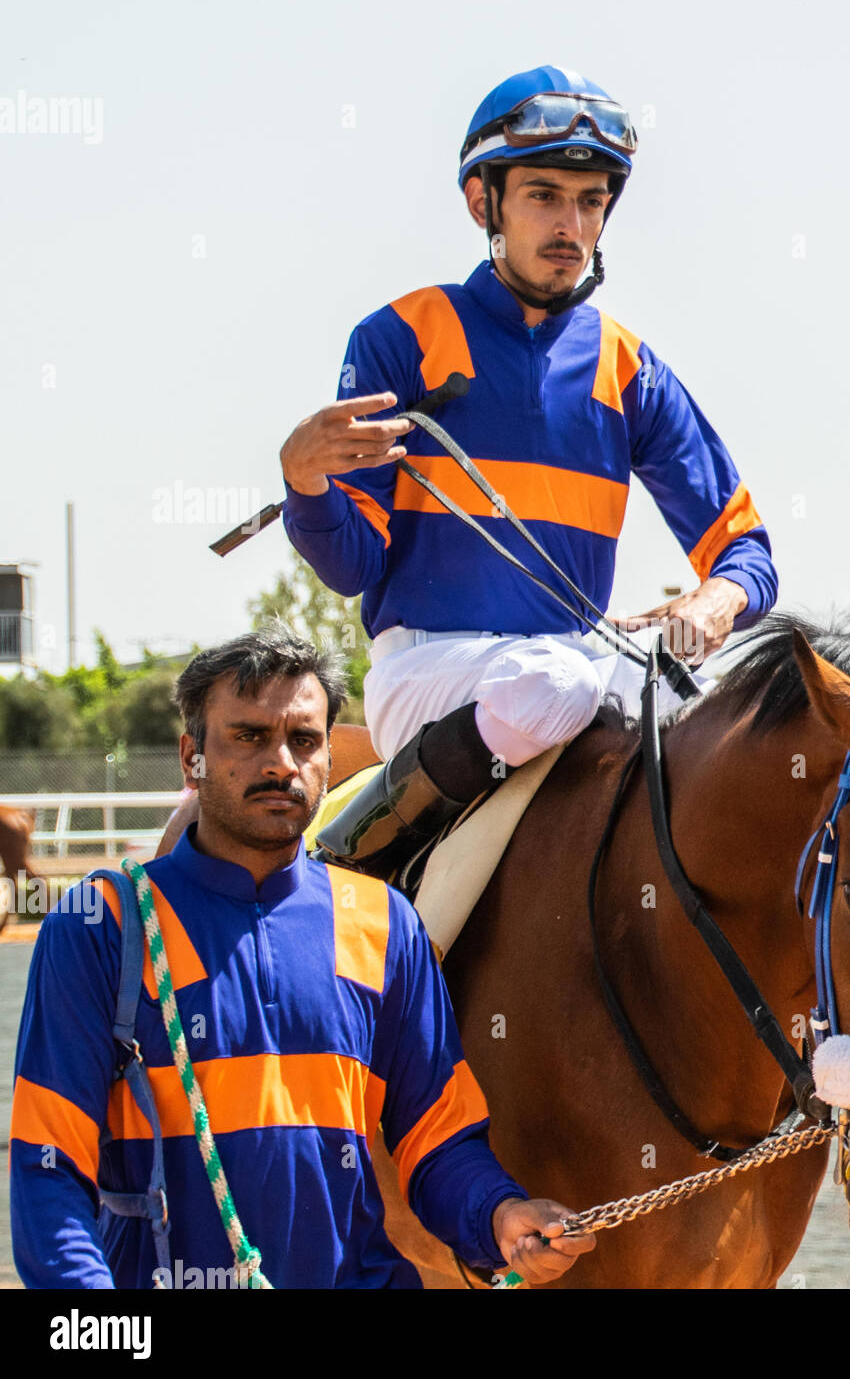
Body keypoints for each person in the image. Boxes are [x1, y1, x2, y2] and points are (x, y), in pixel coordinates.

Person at [277, 64, 777, 873]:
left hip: (582, 670)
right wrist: (305, 483)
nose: (571, 225)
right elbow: (350, 564)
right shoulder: (400, 336)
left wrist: (718, 599)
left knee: (737, 726)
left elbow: (748, 552)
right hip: (430, 672)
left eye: (591, 202)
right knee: (556, 683)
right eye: (544, 196)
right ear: (484, 204)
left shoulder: (629, 368)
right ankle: (366, 844)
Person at [9, 628, 594, 1288]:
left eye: (304, 740)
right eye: (248, 737)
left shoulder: (386, 926)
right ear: (190, 757)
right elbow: (47, 1169)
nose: (281, 763)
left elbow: (439, 1142)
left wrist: (501, 1217)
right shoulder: (102, 929)